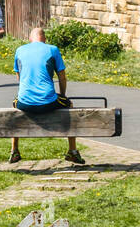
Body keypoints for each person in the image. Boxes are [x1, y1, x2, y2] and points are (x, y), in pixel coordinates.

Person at [10, 27, 84, 165]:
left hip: (25, 102)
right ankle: (73, 151)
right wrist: (63, 96)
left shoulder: (20, 50)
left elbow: (19, 77)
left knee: (14, 105)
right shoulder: (52, 49)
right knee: (69, 105)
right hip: (48, 101)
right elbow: (62, 77)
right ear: (44, 39)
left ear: (30, 39)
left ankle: (14, 150)